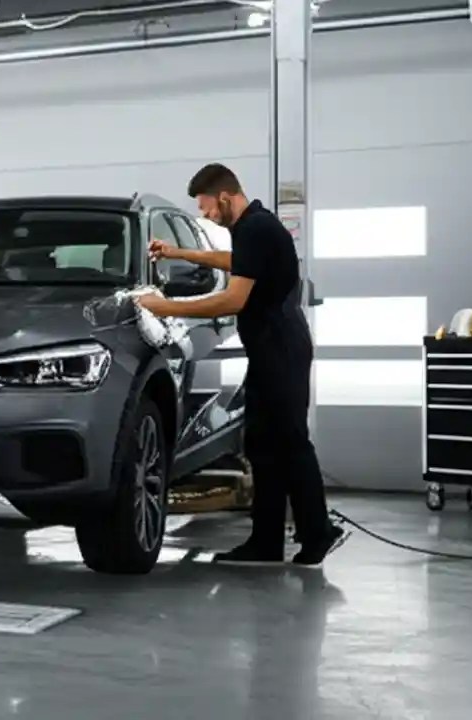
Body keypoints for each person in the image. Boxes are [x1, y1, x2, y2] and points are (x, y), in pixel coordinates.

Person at [136, 163, 345, 567]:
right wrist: (179, 252)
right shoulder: (254, 228)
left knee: (288, 442)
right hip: (275, 348)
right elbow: (235, 261)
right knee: (264, 444)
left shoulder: (256, 228)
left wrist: (166, 307)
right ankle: (268, 542)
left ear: (226, 197)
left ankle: (316, 533)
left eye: (207, 208)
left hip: (280, 350)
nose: (206, 216)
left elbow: (232, 301)